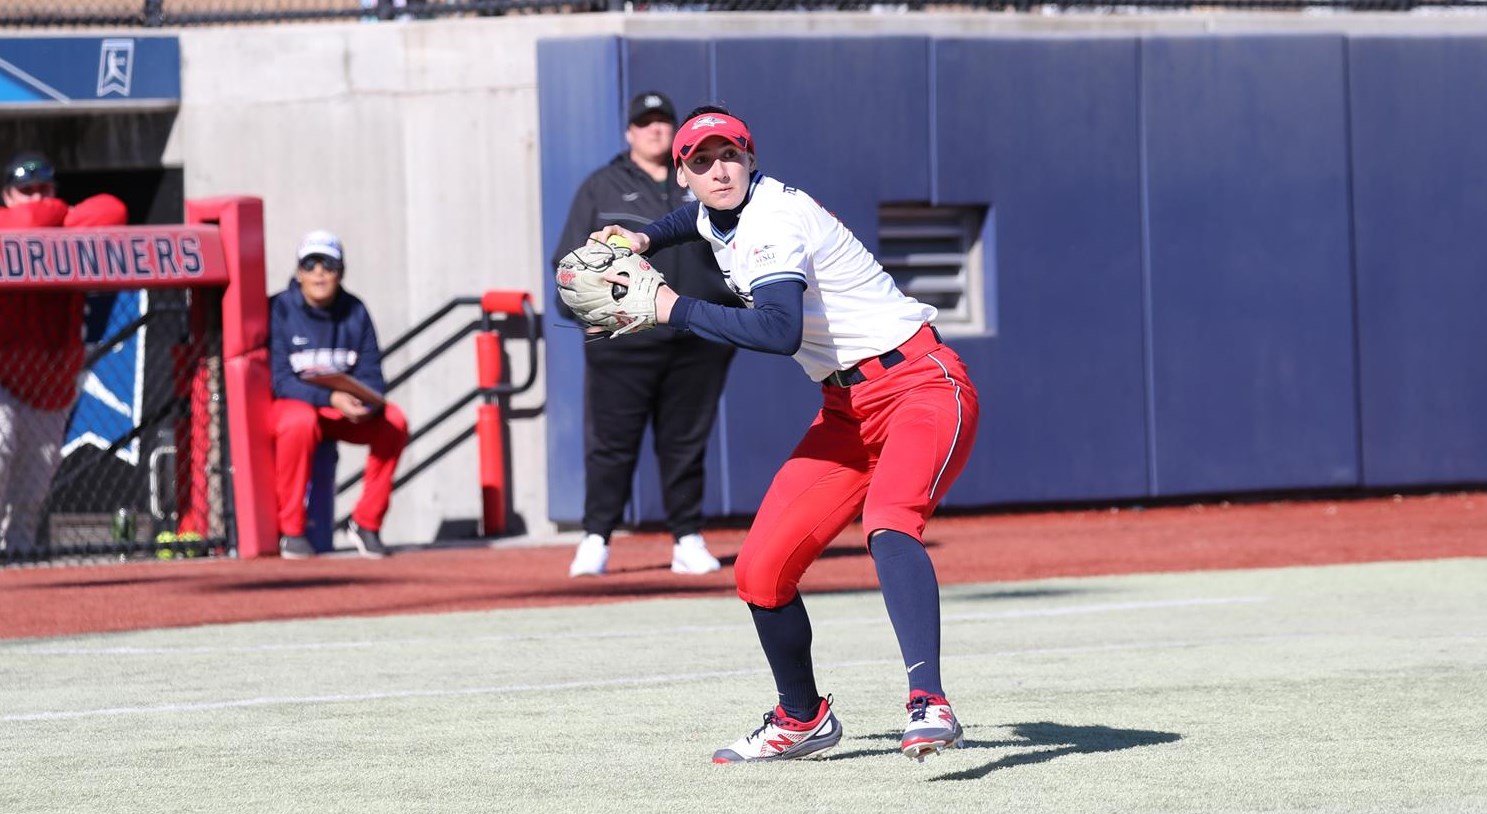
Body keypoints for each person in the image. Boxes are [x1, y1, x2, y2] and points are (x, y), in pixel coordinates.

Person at [589, 107, 981, 764]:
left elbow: (777, 331)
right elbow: (696, 219)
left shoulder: (773, 217)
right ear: (681, 172)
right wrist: (644, 241)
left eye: (730, 155)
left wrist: (669, 307)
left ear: (751, 157)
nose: (718, 170)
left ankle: (929, 701)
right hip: (845, 409)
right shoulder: (717, 208)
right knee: (759, 571)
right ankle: (801, 719)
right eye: (700, 160)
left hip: (919, 385)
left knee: (888, 522)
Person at [552, 91, 741, 578]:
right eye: (646, 123)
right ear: (629, 132)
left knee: (686, 442)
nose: (655, 130)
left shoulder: (699, 180)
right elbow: (569, 266)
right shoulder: (602, 186)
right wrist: (579, 314)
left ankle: (686, 538)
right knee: (612, 444)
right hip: (625, 343)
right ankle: (596, 538)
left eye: (664, 123)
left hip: (697, 335)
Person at [0, 151, 128, 556]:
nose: (37, 200)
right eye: (27, 191)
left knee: (32, 490)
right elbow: (24, 224)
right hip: (2, 376)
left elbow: (114, 209)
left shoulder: (67, 222)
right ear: (6, 196)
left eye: (45, 190)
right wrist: (57, 219)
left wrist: (52, 220)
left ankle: (17, 568)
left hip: (52, 380)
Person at [268, 230, 408, 560]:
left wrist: (365, 404)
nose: (319, 272)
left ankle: (365, 522)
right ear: (299, 271)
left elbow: (373, 374)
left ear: (341, 272)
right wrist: (329, 399)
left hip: (342, 412)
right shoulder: (280, 309)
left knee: (394, 421)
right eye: (310, 263)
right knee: (298, 422)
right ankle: (290, 531)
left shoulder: (355, 310)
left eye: (328, 265)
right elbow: (280, 380)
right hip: (296, 408)